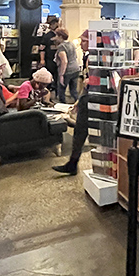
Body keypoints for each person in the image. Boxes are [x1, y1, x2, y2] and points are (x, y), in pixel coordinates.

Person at [53, 30, 90, 176]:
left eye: (84, 41)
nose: (81, 45)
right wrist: (79, 101)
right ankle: (72, 163)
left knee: (81, 131)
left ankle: (72, 164)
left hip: (94, 101)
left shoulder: (95, 58)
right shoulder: (88, 56)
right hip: (87, 99)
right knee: (79, 132)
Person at [55, 27, 81, 103]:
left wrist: (61, 75)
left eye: (57, 36)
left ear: (60, 36)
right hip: (75, 69)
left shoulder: (61, 47)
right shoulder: (71, 44)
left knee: (61, 90)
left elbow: (64, 61)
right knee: (73, 91)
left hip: (67, 70)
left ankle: (62, 107)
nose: (56, 38)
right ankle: (78, 104)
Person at [39, 15, 60, 85]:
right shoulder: (47, 36)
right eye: (51, 24)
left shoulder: (61, 34)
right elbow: (42, 48)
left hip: (59, 60)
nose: (52, 25)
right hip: (50, 59)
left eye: (54, 23)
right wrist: (42, 60)